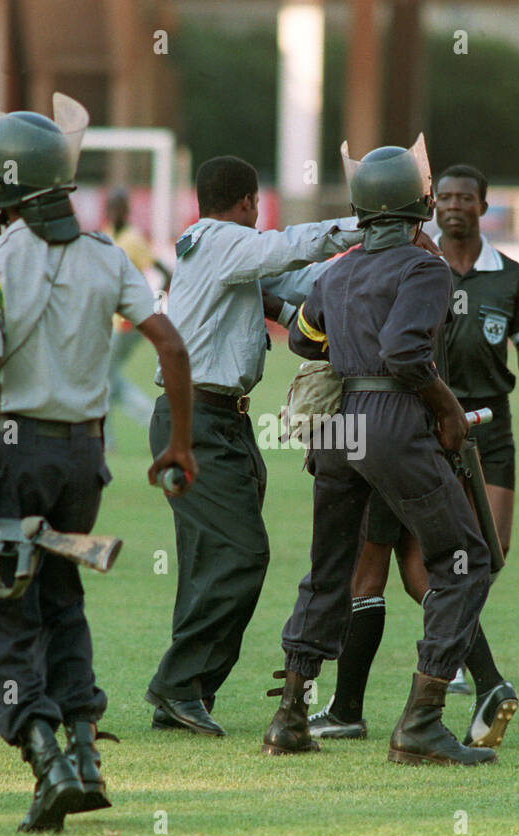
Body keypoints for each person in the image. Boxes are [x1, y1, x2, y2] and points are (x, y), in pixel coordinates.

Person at [0, 97, 196, 833]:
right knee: (59, 593)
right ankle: (86, 752)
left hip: (15, 453)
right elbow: (172, 348)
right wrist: (177, 444)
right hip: (86, 456)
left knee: (0, 608)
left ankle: (48, 760)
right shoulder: (108, 257)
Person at [306, 163, 519, 750]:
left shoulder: (502, 277)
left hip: (462, 430)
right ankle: (430, 694)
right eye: (441, 196)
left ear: (482, 205)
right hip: (412, 428)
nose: (452, 205)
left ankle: (430, 694)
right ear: (426, 206)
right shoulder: (414, 264)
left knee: (458, 565)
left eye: (464, 197)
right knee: (395, 569)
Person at [261, 136, 496, 767]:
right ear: (419, 205)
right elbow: (404, 354)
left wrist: (351, 345)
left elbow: (306, 342)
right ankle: (421, 722)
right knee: (466, 560)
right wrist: (446, 409)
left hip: (339, 428)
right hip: (390, 417)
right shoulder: (426, 268)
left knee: (328, 568)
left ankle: (289, 717)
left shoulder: (338, 272)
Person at [143, 155, 363, 737]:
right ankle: (180, 685)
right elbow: (289, 251)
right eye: (257, 206)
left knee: (208, 560)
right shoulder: (222, 243)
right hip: (199, 421)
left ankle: (188, 693)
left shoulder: (214, 251)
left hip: (220, 423)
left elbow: (303, 287)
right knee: (242, 555)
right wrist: (365, 227)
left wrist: (367, 275)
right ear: (247, 202)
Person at [103, 187, 172, 444]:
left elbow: (164, 271)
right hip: (109, 319)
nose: (114, 211)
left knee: (102, 379)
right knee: (108, 379)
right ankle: (156, 421)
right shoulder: (106, 235)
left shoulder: (133, 239)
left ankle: (106, 441)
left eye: (118, 206)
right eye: (111, 206)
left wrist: (147, 303)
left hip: (127, 321)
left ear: (127, 210)